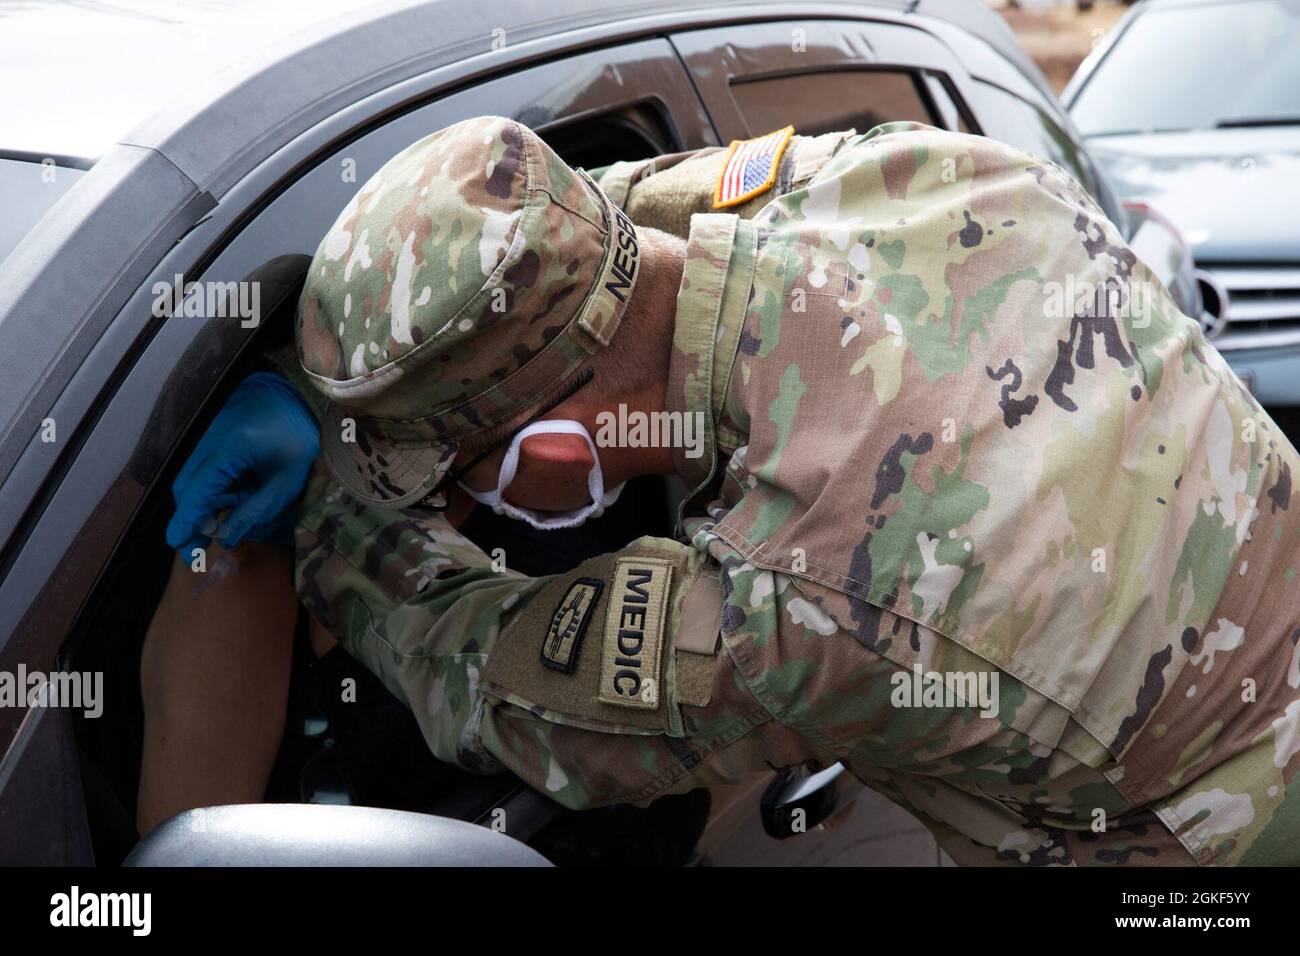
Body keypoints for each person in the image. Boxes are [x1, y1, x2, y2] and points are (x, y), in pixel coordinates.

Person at [144, 115, 1300, 866]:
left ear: (559, 436)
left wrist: (334, 520)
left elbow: (471, 668)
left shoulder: (811, 601)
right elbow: (614, 205)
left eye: (454, 476)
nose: (458, 500)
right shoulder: (925, 174)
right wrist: (323, 379)